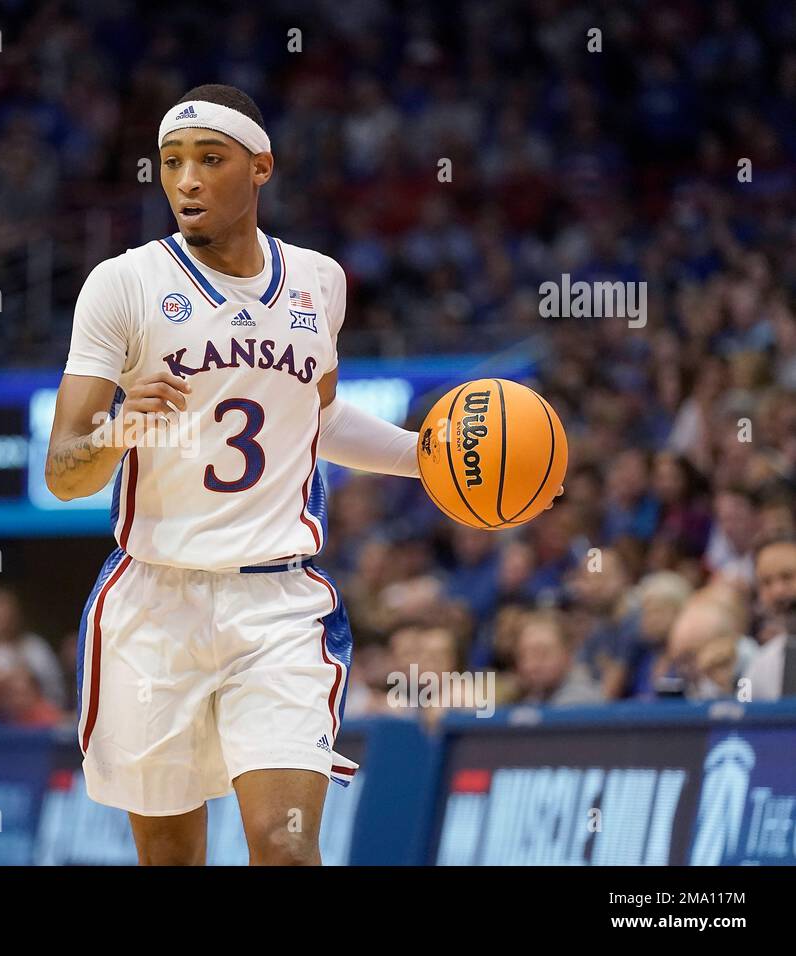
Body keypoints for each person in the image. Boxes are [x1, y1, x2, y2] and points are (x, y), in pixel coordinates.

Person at [44, 83, 559, 865]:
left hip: (277, 605)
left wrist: (422, 458)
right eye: (171, 162)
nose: (186, 180)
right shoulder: (123, 284)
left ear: (261, 167)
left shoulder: (319, 281)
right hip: (155, 602)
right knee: (171, 857)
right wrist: (119, 431)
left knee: (284, 847)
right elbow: (63, 472)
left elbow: (317, 419)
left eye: (209, 159)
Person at [742, 532, 796, 699]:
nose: (778, 591)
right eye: (766, 582)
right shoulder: (761, 662)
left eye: (788, 577)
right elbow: (743, 704)